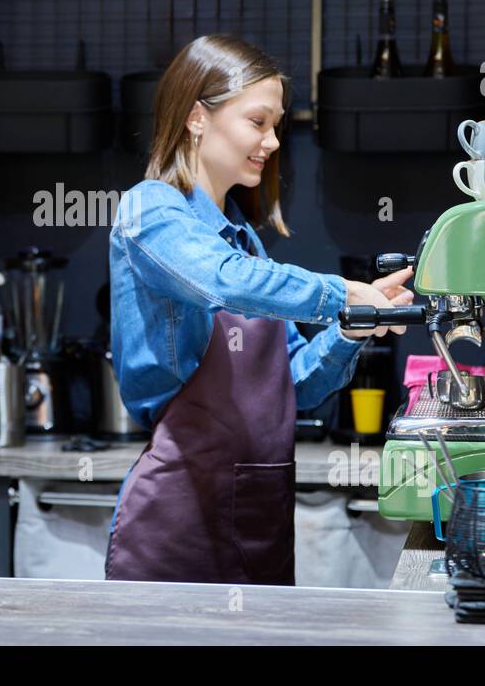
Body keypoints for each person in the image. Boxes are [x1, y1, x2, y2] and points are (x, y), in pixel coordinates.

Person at [105, 34, 413, 585]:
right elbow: (219, 282)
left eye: (276, 127)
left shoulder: (245, 242)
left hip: (260, 519)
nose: (271, 142)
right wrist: (340, 292)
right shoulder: (150, 210)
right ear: (198, 117)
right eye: (258, 121)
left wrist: (354, 326)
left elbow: (292, 387)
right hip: (178, 521)